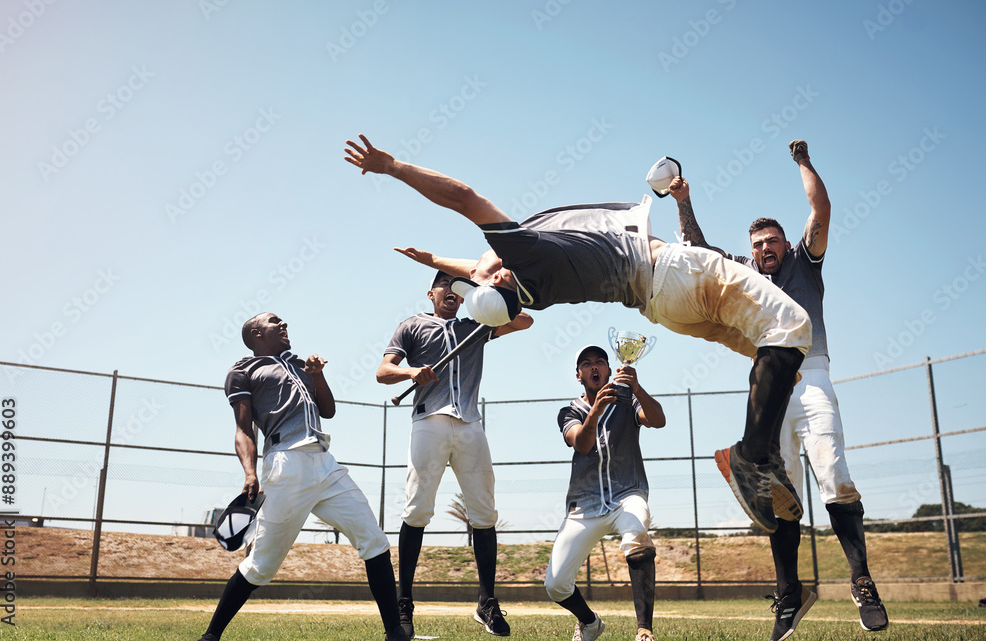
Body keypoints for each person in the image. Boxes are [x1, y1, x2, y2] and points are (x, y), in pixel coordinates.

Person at [344, 134, 810, 538]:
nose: (474, 266)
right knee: (794, 327)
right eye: (481, 275)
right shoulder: (519, 253)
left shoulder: (526, 289)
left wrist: (432, 262)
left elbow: (475, 271)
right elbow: (463, 197)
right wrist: (392, 166)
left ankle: (763, 453)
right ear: (501, 277)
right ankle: (750, 457)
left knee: (779, 361)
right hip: (674, 273)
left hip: (662, 307)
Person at [670, 140, 888, 638]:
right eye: (758, 244)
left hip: (810, 376)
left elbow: (821, 209)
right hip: (768, 388)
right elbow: (700, 254)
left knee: (833, 473)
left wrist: (803, 163)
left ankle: (861, 580)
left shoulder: (804, 264)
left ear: (786, 244)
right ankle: (789, 594)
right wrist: (683, 201)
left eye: (772, 241)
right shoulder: (747, 276)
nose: (765, 249)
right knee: (778, 494)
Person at [198, 312, 408, 641]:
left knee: (374, 541)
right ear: (256, 333)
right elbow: (243, 429)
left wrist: (317, 375)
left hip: (325, 463)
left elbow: (328, 411)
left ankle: (395, 632)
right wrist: (250, 472)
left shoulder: (299, 363)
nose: (283, 325)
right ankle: (211, 636)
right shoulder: (243, 371)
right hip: (286, 465)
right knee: (261, 567)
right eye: (274, 322)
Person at [376, 269, 532, 637]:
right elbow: (383, 372)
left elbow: (524, 319)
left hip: (470, 423)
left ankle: (486, 603)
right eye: (444, 283)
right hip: (428, 420)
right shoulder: (410, 326)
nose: (451, 289)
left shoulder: (476, 326)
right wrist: (412, 372)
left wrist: (489, 297)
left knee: (484, 513)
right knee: (416, 512)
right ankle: (404, 605)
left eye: (457, 286)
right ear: (430, 292)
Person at [545, 345, 666, 641]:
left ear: (610, 370)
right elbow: (582, 444)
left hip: (627, 494)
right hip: (584, 505)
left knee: (637, 533)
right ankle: (590, 622)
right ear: (579, 375)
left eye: (600, 361)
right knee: (555, 584)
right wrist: (596, 409)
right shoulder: (570, 411)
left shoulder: (628, 400)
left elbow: (658, 420)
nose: (594, 366)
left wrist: (637, 387)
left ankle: (644, 631)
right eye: (586, 364)